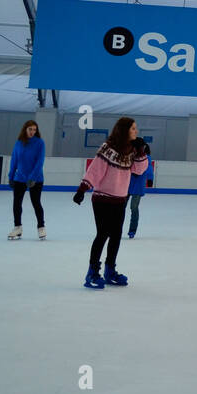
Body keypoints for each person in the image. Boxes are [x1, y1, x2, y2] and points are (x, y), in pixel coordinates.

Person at [73, 117, 149, 289]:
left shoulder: (131, 151)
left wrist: (141, 151)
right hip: (102, 199)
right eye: (133, 128)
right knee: (103, 234)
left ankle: (110, 270)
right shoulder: (107, 148)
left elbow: (139, 170)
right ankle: (92, 272)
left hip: (119, 199)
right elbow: (95, 171)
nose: (136, 131)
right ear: (124, 130)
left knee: (115, 236)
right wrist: (82, 189)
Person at [8, 120, 47, 241]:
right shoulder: (19, 143)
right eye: (30, 129)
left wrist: (33, 177)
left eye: (34, 130)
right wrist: (11, 176)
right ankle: (17, 227)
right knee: (16, 203)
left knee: (36, 203)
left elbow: (40, 162)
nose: (32, 132)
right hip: (20, 178)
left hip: (36, 179)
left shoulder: (40, 143)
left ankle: (41, 227)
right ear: (25, 129)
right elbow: (14, 159)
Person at [127, 146, 155, 239]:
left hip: (138, 186)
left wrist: (150, 179)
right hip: (127, 185)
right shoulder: (131, 156)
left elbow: (149, 168)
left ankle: (132, 230)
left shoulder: (147, 158)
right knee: (120, 208)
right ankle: (115, 229)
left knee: (133, 208)